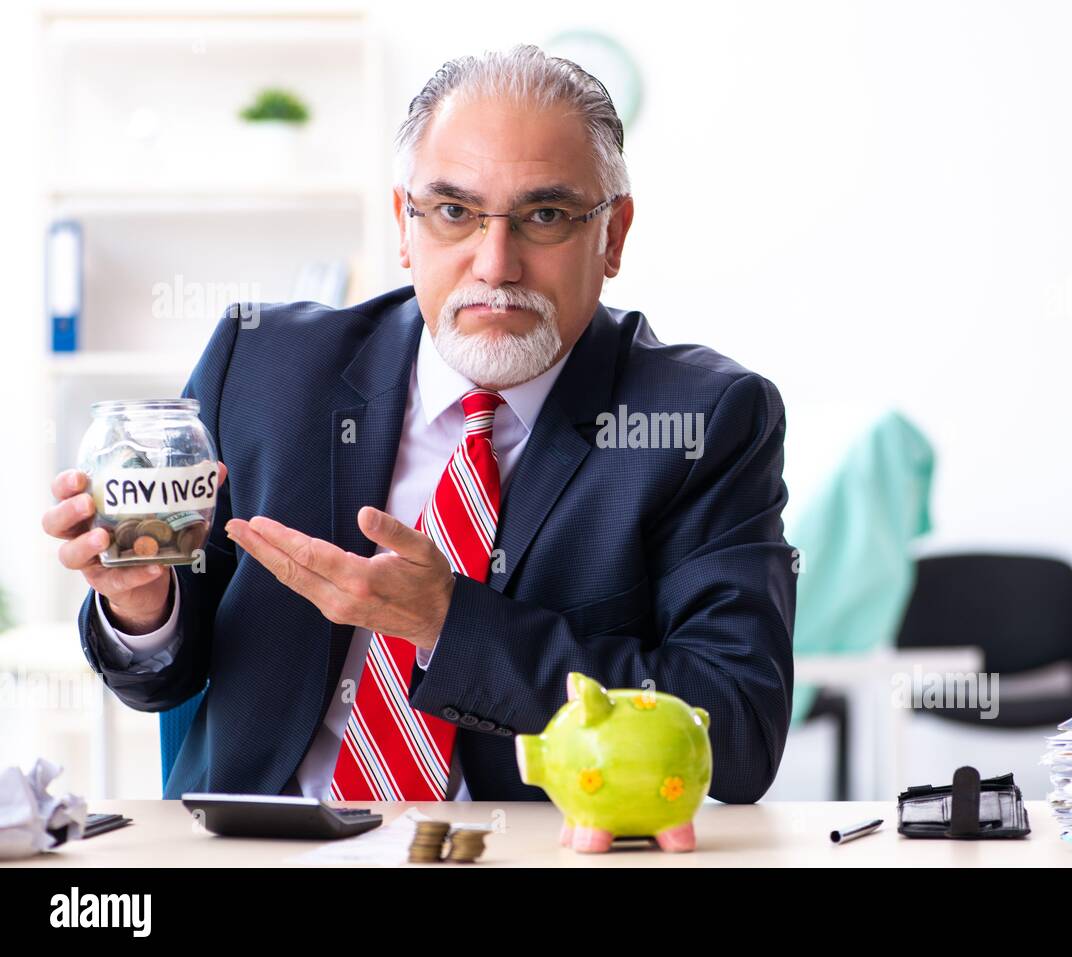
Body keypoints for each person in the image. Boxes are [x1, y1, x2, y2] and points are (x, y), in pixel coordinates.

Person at [43, 45, 796, 804]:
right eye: (454, 212)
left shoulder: (704, 421)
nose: (494, 263)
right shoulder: (264, 367)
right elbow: (164, 671)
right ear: (405, 224)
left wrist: (451, 624)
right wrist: (140, 605)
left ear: (614, 236)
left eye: (545, 215)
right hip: (263, 848)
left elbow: (733, 729)